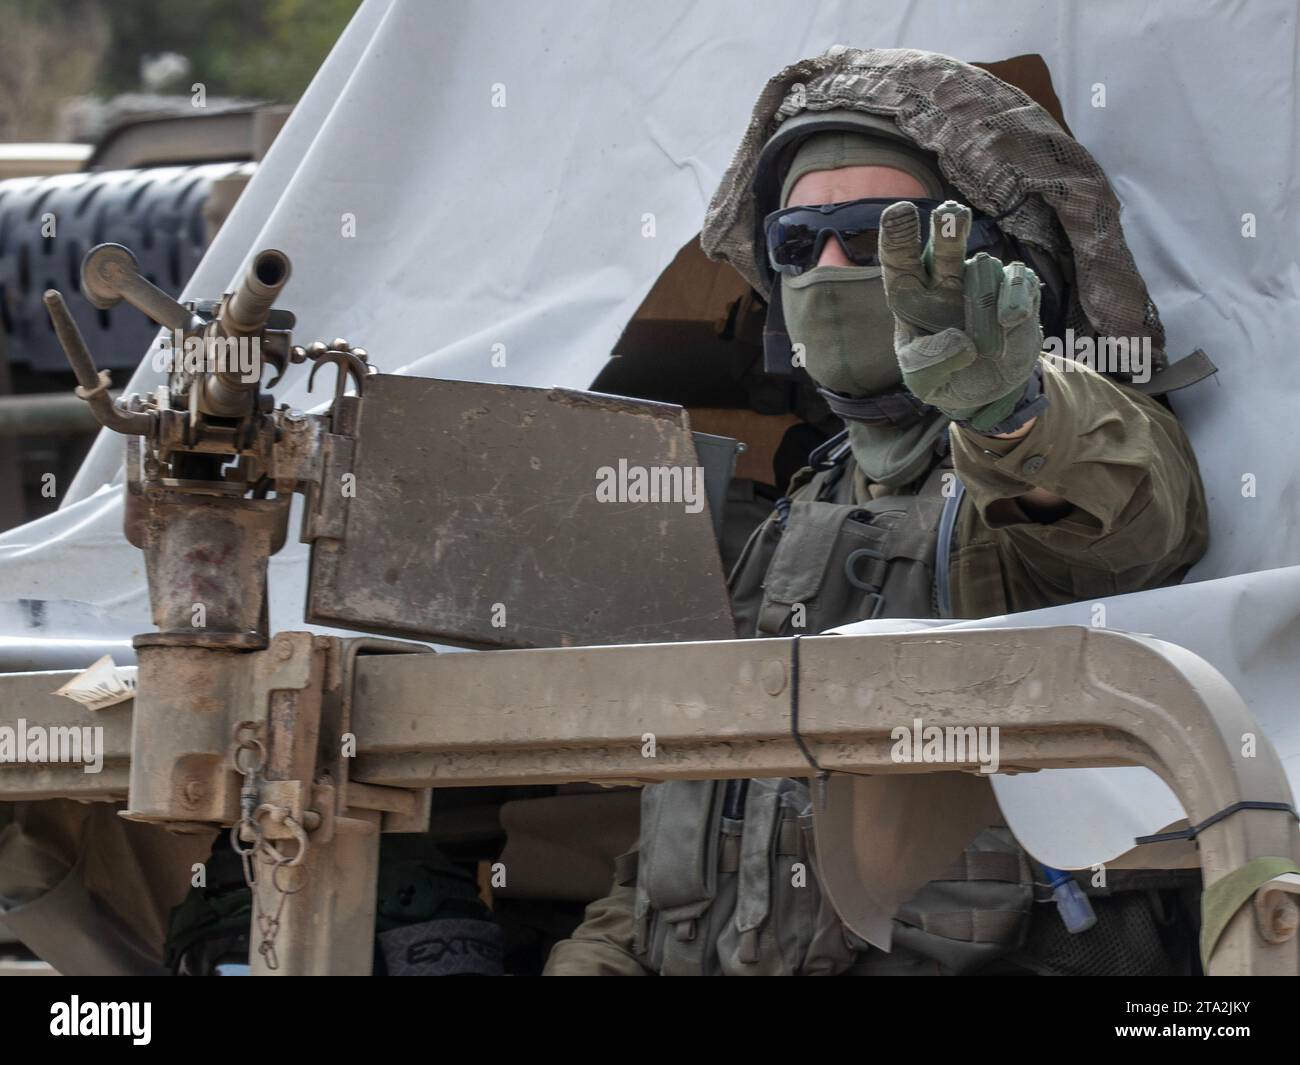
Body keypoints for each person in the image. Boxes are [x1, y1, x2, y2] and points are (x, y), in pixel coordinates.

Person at [544, 47, 1210, 976]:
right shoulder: (799, 506)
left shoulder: (1039, 467)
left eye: (873, 237)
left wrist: (1010, 410)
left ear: (992, 264)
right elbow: (699, 822)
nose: (827, 266)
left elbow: (1119, 507)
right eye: (796, 243)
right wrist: (603, 953)